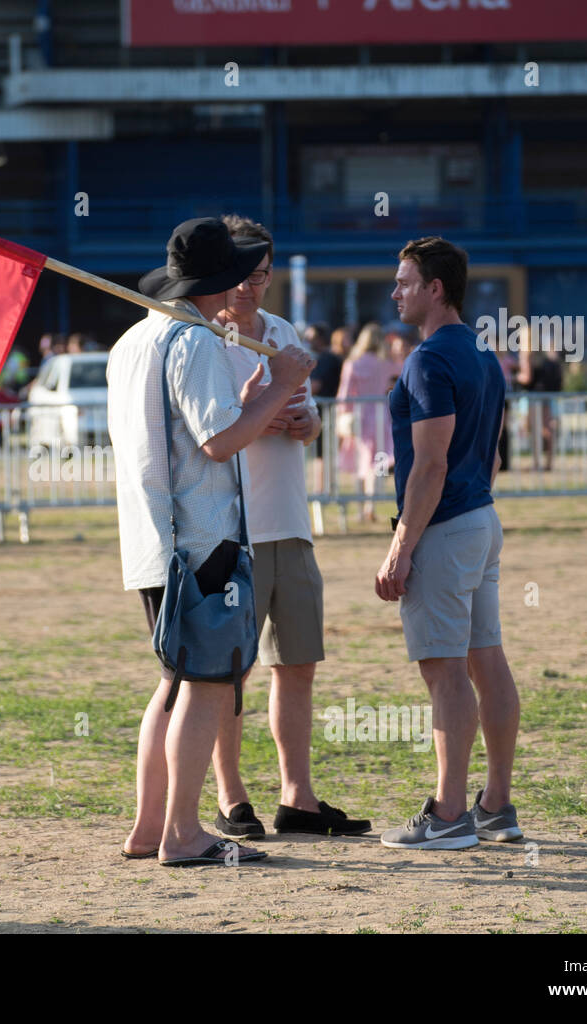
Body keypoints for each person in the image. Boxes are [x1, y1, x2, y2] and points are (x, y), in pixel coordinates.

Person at [108, 217, 313, 865]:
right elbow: (215, 441)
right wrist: (280, 386)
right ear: (218, 279)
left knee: (173, 684)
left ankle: (150, 829)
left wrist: (251, 397)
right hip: (198, 540)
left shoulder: (134, 339)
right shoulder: (192, 340)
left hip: (151, 538)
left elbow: (205, 426)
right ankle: (182, 834)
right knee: (205, 686)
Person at [208, 214, 371, 841]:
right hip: (231, 528)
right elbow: (211, 433)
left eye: (260, 275)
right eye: (239, 277)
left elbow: (311, 416)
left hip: (291, 523)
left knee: (297, 663)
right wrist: (264, 405)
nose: (249, 289)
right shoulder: (201, 337)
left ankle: (297, 798)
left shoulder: (281, 332)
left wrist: (310, 425)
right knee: (226, 671)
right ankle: (231, 796)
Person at [376, 236, 521, 850]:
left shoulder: (428, 360)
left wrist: (402, 546)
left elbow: (429, 466)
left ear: (435, 289)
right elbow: (488, 456)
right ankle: (495, 806)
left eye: (405, 281)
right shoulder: (485, 357)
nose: (396, 291)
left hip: (446, 524)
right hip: (480, 519)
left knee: (443, 672)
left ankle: (449, 814)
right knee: (486, 660)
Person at [335, 322, 396, 522]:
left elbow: (343, 395)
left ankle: (362, 507)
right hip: (381, 414)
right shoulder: (386, 362)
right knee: (376, 462)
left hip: (359, 416)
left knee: (360, 462)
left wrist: (341, 417)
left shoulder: (353, 363)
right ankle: (371, 505)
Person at [516, 324, 563, 472]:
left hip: (533, 397)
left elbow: (527, 377)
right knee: (547, 429)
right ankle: (549, 463)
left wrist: (515, 377)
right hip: (546, 395)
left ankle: (537, 463)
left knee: (535, 431)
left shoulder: (526, 354)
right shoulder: (545, 353)